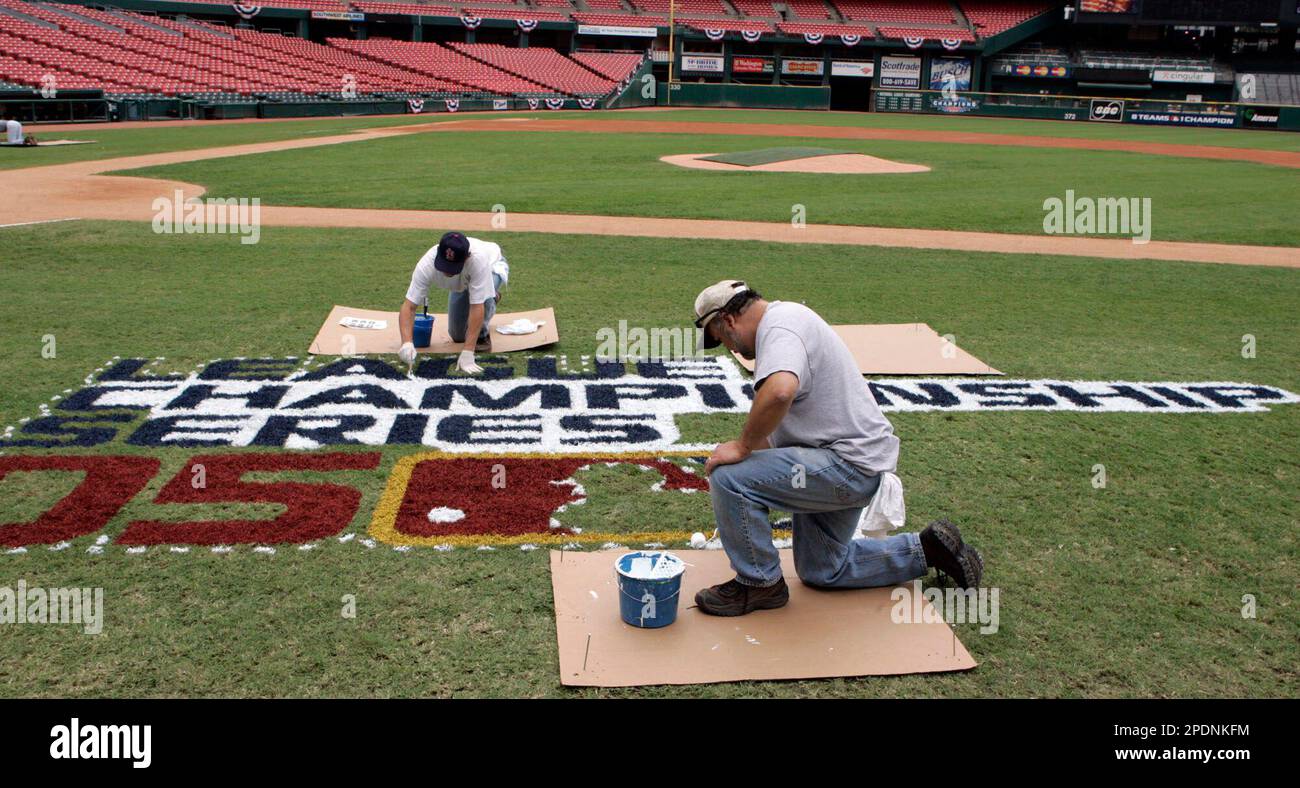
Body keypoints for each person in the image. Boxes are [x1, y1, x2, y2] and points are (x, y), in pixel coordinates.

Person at [690, 279, 984, 616]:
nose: (730, 348)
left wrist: (740, 450)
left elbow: (781, 391)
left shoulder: (780, 329)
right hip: (849, 464)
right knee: (823, 570)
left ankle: (759, 585)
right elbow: (782, 420)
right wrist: (753, 459)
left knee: (730, 477)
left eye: (721, 338)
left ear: (728, 320)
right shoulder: (788, 319)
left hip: (844, 467)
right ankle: (927, 550)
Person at [397, 232, 509, 375]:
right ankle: (477, 294)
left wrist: (468, 351)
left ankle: (490, 304)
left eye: (452, 266)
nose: (447, 271)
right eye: (444, 264)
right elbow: (409, 306)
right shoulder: (426, 263)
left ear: (467, 257)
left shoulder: (477, 260)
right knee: (457, 335)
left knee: (481, 301)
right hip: (462, 281)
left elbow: (476, 307)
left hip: (492, 267)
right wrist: (406, 343)